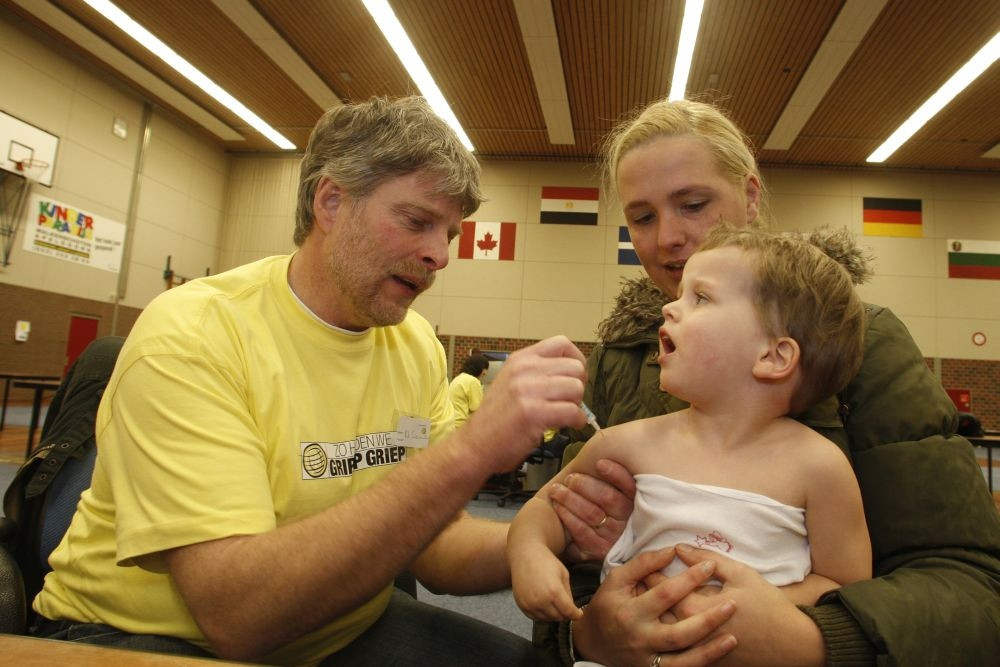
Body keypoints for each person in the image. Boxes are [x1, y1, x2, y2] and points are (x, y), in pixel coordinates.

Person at [28, 96, 622, 667]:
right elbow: (240, 618)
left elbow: (436, 547)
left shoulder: (411, 342)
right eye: (417, 221)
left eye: (451, 234)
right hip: (140, 637)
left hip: (336, 625)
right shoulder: (195, 332)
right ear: (332, 203)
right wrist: (474, 450)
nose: (440, 255)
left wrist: (550, 536)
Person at [538, 98, 1000, 666]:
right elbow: (571, 556)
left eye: (693, 203)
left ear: (751, 197)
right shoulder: (622, 356)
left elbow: (969, 585)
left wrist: (813, 641)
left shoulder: (865, 347)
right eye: (643, 217)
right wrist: (587, 632)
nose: (668, 239)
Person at [509, 225, 872, 627]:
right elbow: (545, 506)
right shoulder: (627, 443)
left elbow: (846, 584)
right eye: (680, 294)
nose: (669, 308)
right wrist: (531, 554)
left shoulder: (820, 468)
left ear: (773, 356)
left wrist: (752, 609)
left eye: (700, 297)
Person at [449, 353, 491, 427]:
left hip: (450, 425)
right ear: (479, 368)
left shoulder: (458, 378)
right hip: (461, 427)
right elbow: (477, 410)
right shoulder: (473, 381)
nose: (485, 374)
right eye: (484, 374)